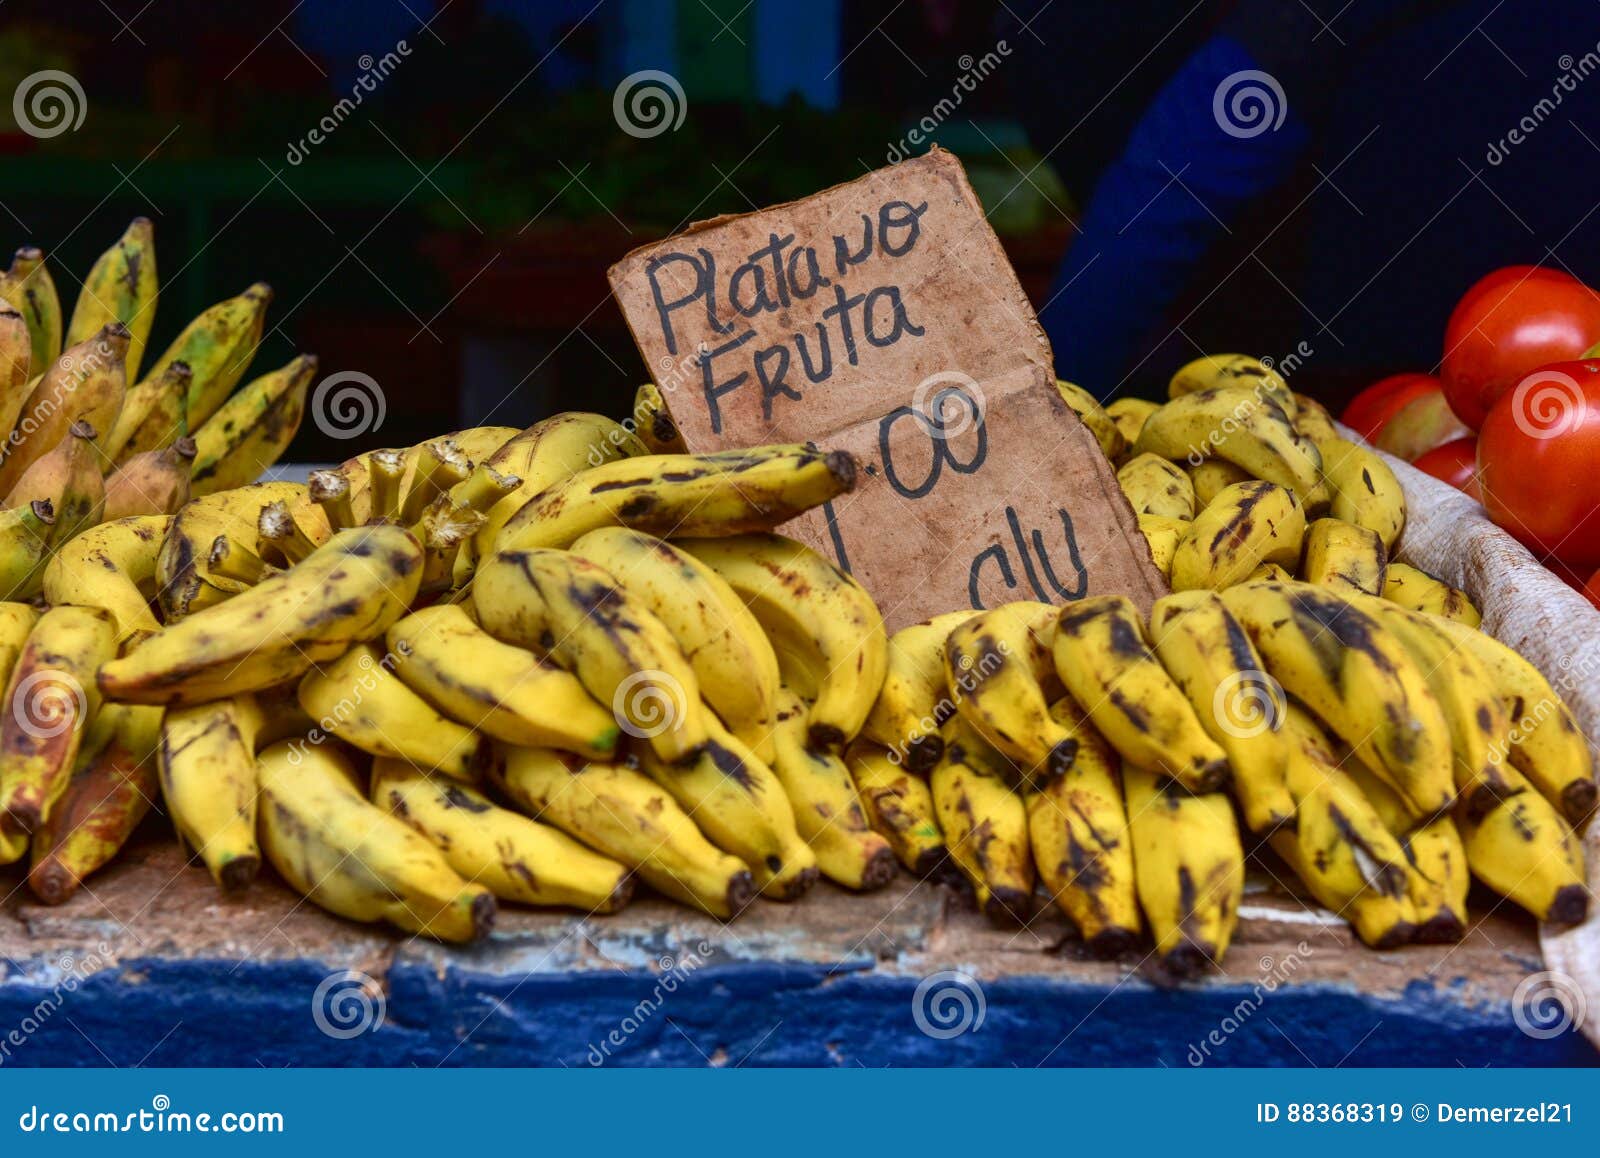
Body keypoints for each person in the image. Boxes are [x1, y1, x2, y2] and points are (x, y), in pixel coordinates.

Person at [1005, 0, 1600, 402]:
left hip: (1465, 391)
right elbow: (1184, 167)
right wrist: (1048, 399)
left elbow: (1178, 173)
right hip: (1378, 397)